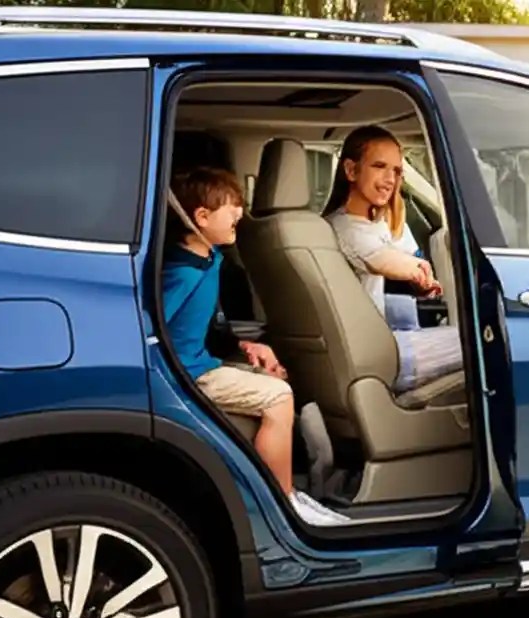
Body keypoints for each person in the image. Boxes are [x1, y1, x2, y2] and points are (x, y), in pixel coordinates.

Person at [161, 167, 350, 527]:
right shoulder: (183, 272)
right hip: (188, 373)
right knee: (277, 397)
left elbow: (204, 322)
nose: (239, 213)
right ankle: (282, 502)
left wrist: (242, 345)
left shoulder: (209, 256)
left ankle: (309, 483)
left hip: (202, 362)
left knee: (278, 379)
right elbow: (156, 327)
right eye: (231, 206)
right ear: (201, 217)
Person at [323, 126, 463, 393]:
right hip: (374, 356)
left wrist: (421, 277)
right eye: (379, 166)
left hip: (371, 342)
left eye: (397, 171)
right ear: (351, 171)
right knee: (480, 344)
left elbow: (407, 256)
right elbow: (388, 262)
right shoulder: (345, 227)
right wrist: (422, 272)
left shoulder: (374, 223)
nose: (391, 179)